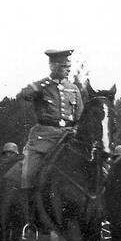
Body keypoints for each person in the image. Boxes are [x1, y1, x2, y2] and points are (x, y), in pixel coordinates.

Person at [18, 49, 86, 229]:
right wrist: (42, 84)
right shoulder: (42, 86)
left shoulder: (74, 89)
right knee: (28, 173)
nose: (67, 70)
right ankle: (31, 220)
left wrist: (76, 130)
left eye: (68, 67)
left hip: (68, 137)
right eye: (63, 66)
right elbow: (24, 95)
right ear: (53, 66)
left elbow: (80, 117)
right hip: (44, 137)